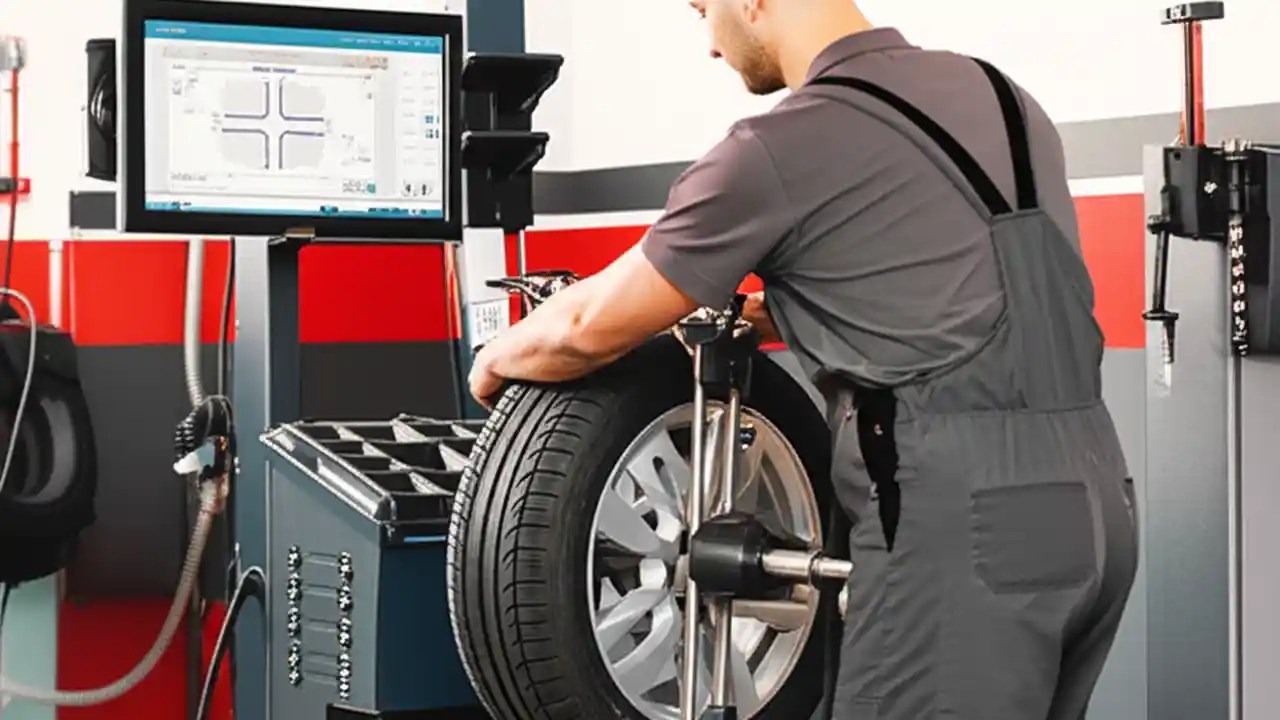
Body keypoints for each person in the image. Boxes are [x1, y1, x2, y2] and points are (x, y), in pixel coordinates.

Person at [468, 1, 1140, 718]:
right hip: (1099, 502)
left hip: (964, 526)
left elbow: (584, 328)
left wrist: (496, 357)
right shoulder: (1005, 98)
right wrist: (775, 313)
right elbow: (956, 297)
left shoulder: (775, 148)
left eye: (704, 10)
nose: (711, 46)